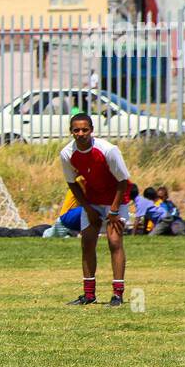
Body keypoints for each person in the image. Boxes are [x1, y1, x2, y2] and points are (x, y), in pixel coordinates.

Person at [60, 113, 131, 307]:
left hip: (116, 199)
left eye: (85, 129)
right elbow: (72, 183)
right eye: (76, 130)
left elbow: (123, 181)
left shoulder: (108, 150)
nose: (81, 133)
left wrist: (114, 209)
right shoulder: (67, 153)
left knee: (114, 242)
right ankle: (89, 295)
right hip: (92, 201)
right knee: (87, 243)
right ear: (71, 132)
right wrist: (87, 208)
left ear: (92, 131)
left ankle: (117, 294)